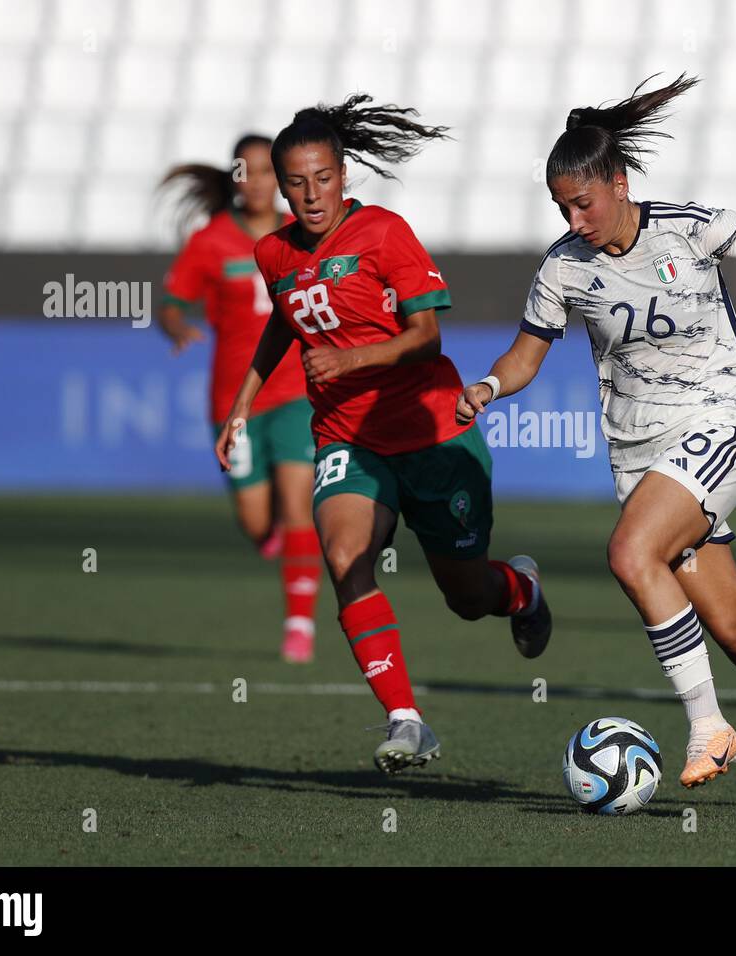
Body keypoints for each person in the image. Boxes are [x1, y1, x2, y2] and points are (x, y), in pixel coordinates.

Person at [458, 75, 736, 811]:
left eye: (584, 201)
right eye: (562, 207)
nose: (574, 218)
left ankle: (708, 727)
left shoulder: (691, 226)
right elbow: (527, 355)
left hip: (719, 423)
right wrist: (489, 386)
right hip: (641, 454)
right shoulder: (563, 268)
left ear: (618, 182)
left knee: (628, 553)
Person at [214, 95, 551, 775]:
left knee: (465, 597)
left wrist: (349, 359)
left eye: (324, 179)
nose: (312, 195)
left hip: (433, 433)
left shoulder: (384, 234)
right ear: (280, 186)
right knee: (345, 555)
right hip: (349, 439)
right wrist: (244, 402)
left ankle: (520, 591)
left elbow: (426, 339)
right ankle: (407, 719)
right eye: (297, 183)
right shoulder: (272, 251)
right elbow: (285, 317)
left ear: (344, 175)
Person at [158, 135, 321, 663]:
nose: (257, 182)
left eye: (266, 172)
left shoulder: (303, 235)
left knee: (299, 505)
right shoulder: (210, 241)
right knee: (256, 522)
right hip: (236, 401)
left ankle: (299, 623)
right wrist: (178, 325)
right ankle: (269, 538)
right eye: (245, 172)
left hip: (297, 390)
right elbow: (172, 303)